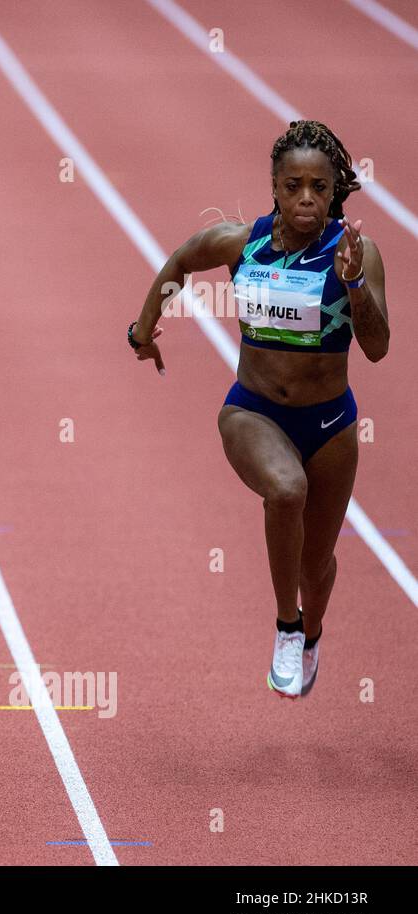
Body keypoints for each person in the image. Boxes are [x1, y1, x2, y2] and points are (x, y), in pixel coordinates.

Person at [129, 120, 389, 699]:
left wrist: (352, 286)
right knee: (285, 490)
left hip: (331, 426)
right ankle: (287, 627)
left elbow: (377, 347)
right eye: (293, 185)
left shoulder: (355, 253)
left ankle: (313, 627)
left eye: (318, 188)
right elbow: (180, 262)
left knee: (316, 568)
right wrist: (143, 329)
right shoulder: (240, 242)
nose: (305, 199)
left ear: (332, 192)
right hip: (254, 412)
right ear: (273, 186)